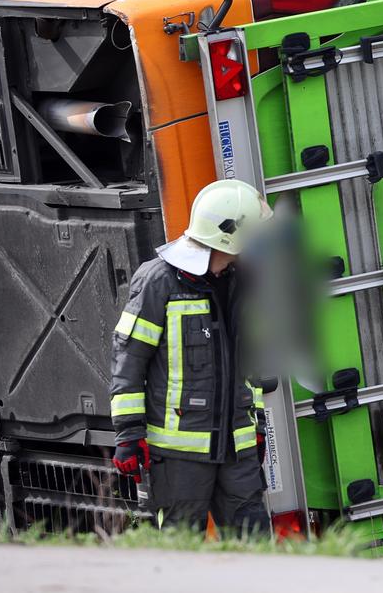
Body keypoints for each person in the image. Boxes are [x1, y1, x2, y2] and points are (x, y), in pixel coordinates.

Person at [110, 179, 273, 535]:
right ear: (229, 236)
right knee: (183, 557)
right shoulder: (159, 282)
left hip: (238, 453)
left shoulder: (244, 284)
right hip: (180, 460)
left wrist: (256, 425)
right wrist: (129, 435)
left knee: (258, 552)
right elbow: (128, 361)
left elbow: (253, 367)